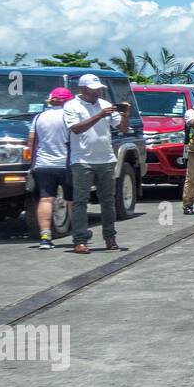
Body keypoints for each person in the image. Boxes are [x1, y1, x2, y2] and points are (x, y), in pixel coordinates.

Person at [63, 73, 129, 254]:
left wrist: (125, 115)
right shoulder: (71, 106)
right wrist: (99, 116)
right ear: (82, 90)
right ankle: (80, 240)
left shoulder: (106, 105)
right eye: (93, 90)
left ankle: (110, 238)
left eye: (99, 90)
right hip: (82, 160)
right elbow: (76, 129)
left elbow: (122, 129)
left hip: (106, 159)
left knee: (108, 201)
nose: (97, 93)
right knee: (80, 201)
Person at [28, 86, 74, 249]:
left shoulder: (39, 117)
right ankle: (78, 235)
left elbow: (31, 142)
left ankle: (45, 237)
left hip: (43, 165)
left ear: (51, 100)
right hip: (67, 164)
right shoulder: (71, 116)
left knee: (46, 198)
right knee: (72, 200)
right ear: (69, 101)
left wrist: (32, 165)